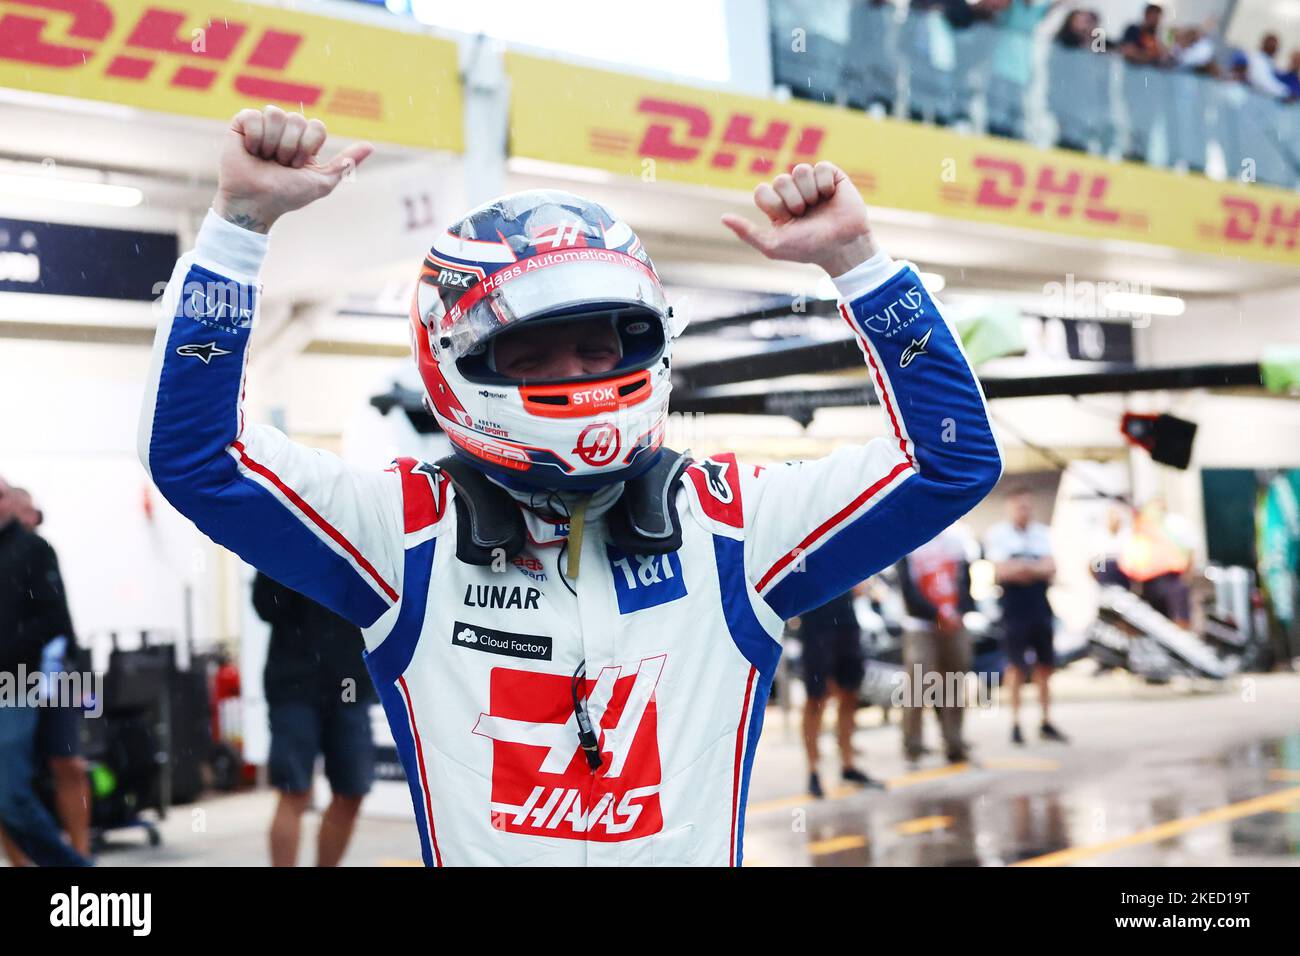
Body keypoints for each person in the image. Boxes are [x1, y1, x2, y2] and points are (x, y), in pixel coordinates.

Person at [137, 105, 1002, 866]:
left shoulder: (735, 523)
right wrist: (237, 228)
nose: (578, 374)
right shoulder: (404, 533)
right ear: (459, 364)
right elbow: (201, 457)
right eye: (534, 353)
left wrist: (860, 264)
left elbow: (948, 461)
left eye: (601, 346)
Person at [253, 572, 376, 867]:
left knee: (352, 791)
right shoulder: (284, 533)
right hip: (294, 682)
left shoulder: (360, 532)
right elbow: (264, 606)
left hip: (350, 681)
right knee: (295, 791)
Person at [0, 477, 92, 867]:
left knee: (66, 762)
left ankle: (80, 856)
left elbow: (57, 620)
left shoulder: (35, 551)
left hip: (50, 672)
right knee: (11, 783)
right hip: (17, 678)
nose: (30, 515)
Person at [984, 486, 1067, 745]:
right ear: (1010, 508)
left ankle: (1046, 720)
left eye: (1027, 506)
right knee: (1015, 666)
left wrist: (1022, 568)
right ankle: (1016, 722)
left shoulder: (1042, 534)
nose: (1024, 511)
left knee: (1045, 665)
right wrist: (1033, 568)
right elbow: (1002, 572)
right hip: (1014, 607)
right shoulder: (998, 535)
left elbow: (1051, 567)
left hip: (1039, 605)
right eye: (1019, 506)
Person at [896, 526, 975, 763]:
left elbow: (965, 580)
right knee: (918, 686)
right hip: (921, 625)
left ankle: (954, 742)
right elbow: (908, 589)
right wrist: (937, 614)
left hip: (954, 622)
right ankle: (913, 744)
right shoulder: (909, 540)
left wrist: (957, 611)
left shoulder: (957, 539)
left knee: (953, 684)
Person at [796, 588, 877, 798]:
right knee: (816, 697)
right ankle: (813, 770)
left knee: (850, 693)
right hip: (815, 620)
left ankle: (848, 765)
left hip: (846, 618)